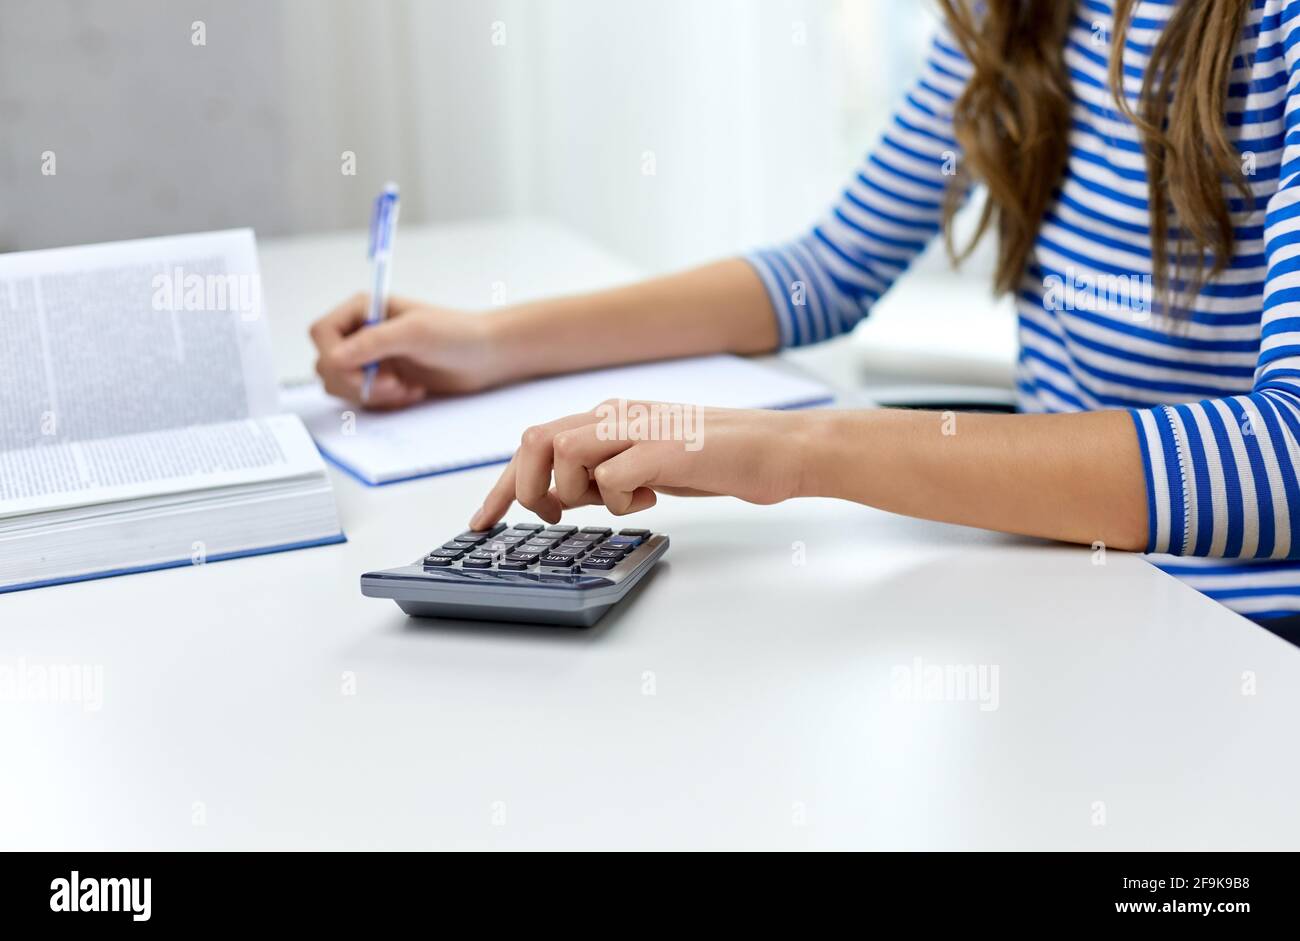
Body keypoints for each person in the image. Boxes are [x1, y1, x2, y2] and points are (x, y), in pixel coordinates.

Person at [310, 0, 1300, 640]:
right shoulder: (1022, 17)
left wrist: (794, 451)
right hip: (1058, 591)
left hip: (1230, 636)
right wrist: (491, 344)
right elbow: (831, 267)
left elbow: (1285, 455)